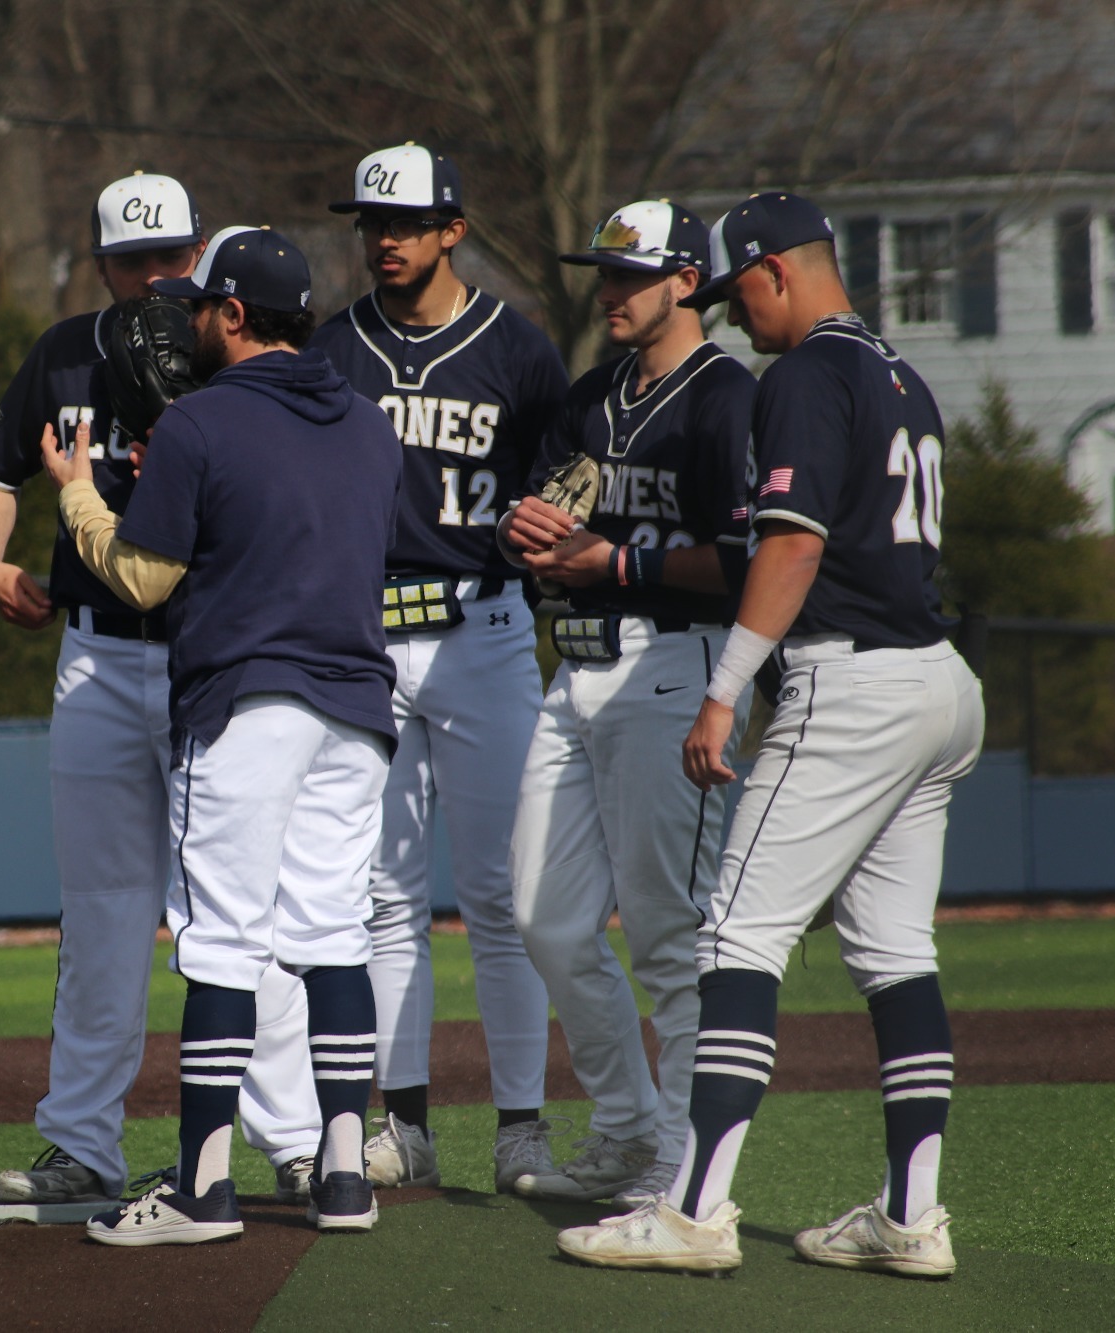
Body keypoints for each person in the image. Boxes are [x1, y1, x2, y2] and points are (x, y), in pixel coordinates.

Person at [558, 192, 984, 1277]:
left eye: (734, 289)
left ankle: (694, 1210)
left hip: (851, 688)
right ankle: (909, 1216)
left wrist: (722, 689)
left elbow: (786, 549)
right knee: (895, 955)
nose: (731, 315)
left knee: (730, 940)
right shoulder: (899, 373)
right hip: (936, 681)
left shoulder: (801, 375)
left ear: (775, 271)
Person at [40, 227, 401, 1245]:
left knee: (223, 940)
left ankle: (202, 1188)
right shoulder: (370, 426)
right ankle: (342, 1172)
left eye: (201, 305)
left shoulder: (200, 422)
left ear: (233, 315)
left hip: (245, 701)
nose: (188, 319)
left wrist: (77, 493)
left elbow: (147, 577)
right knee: (332, 935)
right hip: (356, 709)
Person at [0, 175, 320, 1206]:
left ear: (199, 251)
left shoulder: (230, 354)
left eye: (172, 256)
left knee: (234, 905)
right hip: (91, 649)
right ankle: (81, 1141)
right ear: (100, 264)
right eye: (132, 261)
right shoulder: (66, 351)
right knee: (101, 912)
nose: (155, 276)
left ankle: (295, 1138)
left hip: (203, 651)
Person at [290, 143, 566, 1192]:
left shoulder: (517, 350)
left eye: (403, 223)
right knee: (380, 897)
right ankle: (399, 1126)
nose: (383, 240)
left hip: (482, 632)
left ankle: (520, 1129)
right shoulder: (331, 349)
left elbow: (562, 474)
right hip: (363, 637)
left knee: (497, 894)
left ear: (453, 228)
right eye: (369, 222)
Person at [497, 200, 756, 1208]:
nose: (608, 290)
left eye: (629, 275)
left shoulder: (724, 397)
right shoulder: (590, 395)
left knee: (666, 934)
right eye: (602, 274)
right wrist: (527, 532)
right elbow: (541, 515)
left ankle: (679, 1165)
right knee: (543, 916)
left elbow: (744, 557)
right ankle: (624, 1126)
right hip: (576, 665)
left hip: (672, 666)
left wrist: (618, 557)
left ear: (685, 281)